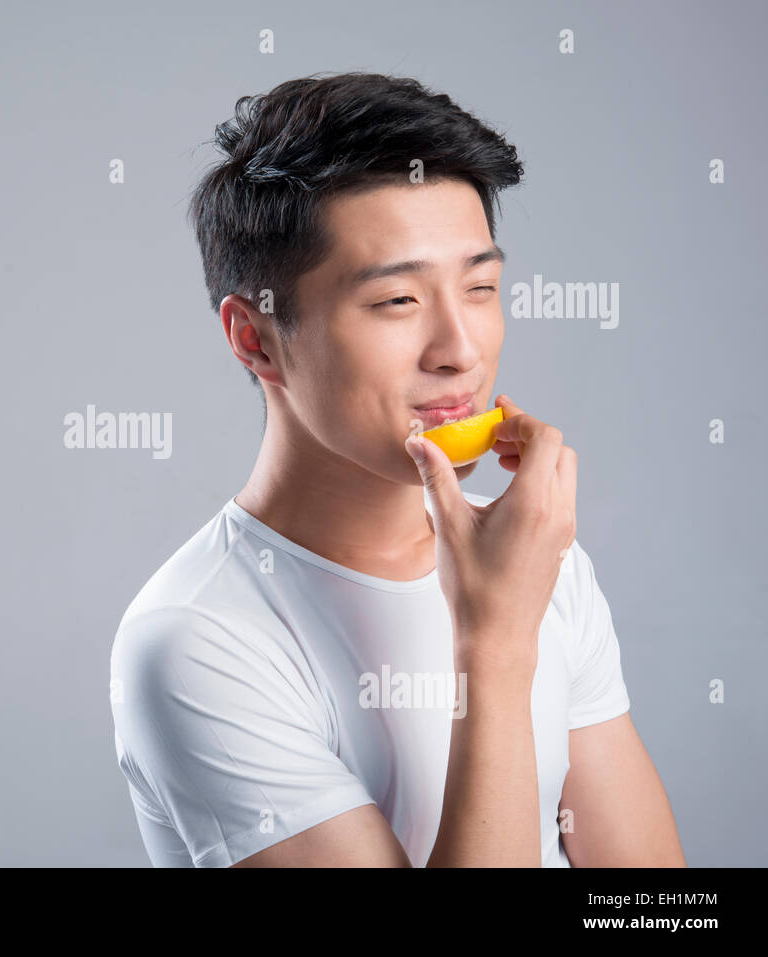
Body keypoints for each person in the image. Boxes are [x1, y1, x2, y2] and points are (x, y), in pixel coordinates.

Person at [108, 72, 685, 867]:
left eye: (481, 286)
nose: (460, 349)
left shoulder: (534, 554)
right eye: (398, 302)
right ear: (256, 337)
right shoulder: (198, 642)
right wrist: (494, 642)